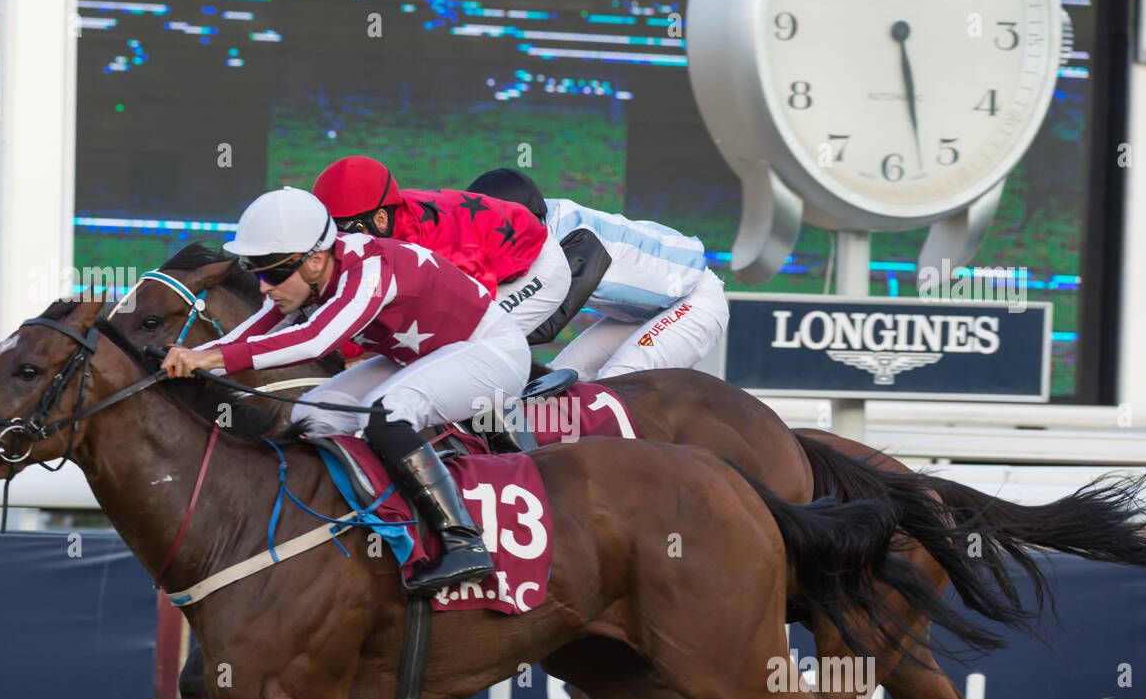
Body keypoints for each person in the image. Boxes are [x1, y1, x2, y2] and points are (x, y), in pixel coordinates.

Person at [163, 186, 530, 592]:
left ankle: (462, 541)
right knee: (312, 414)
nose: (264, 287)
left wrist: (209, 360)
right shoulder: (310, 271)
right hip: (427, 355)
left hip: (492, 352)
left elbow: (314, 340)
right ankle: (344, 520)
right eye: (256, 272)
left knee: (384, 413)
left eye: (271, 273)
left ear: (315, 260)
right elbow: (252, 332)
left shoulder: (370, 269)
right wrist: (185, 357)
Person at [467, 168, 731, 381]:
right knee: (557, 380)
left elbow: (547, 324)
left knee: (616, 383)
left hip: (693, 302)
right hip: (641, 312)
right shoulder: (537, 221)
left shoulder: (576, 241)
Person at [310, 156, 574, 338]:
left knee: (470, 344)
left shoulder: (431, 245)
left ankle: (506, 421)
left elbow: (473, 298)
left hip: (538, 264)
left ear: (380, 219)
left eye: (347, 231)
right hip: (489, 258)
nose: (343, 245)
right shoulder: (387, 229)